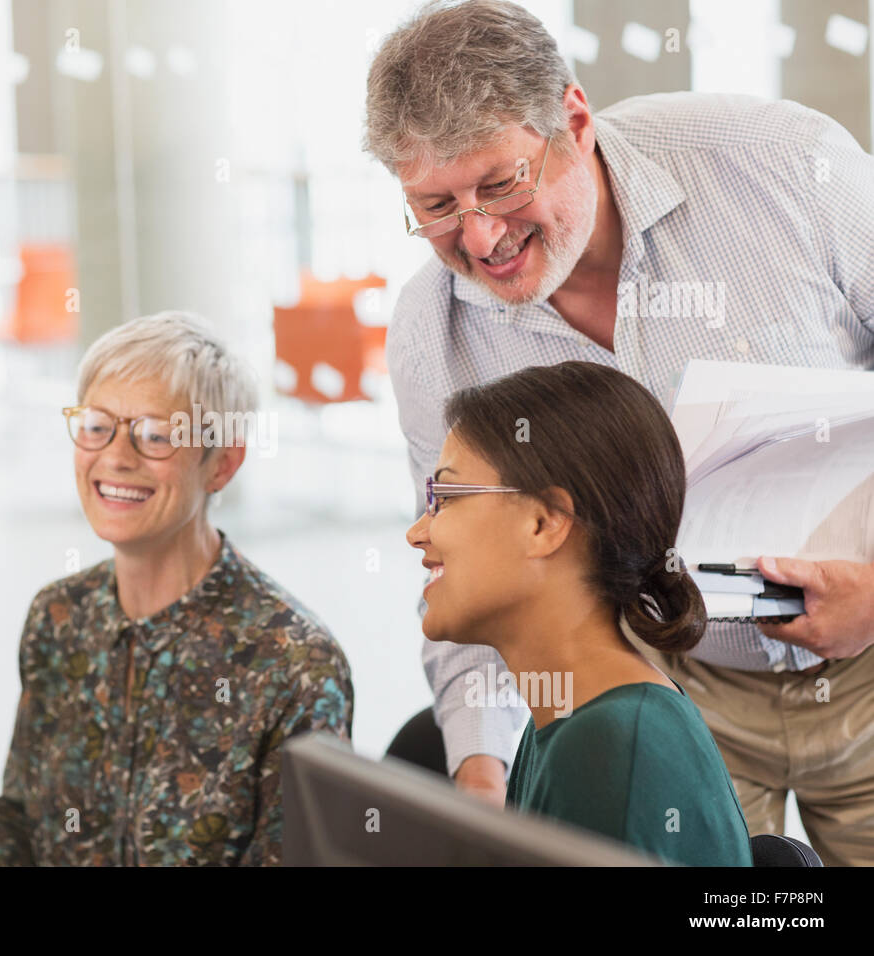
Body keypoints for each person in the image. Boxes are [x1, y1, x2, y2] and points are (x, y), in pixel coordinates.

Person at [366, 0, 874, 864]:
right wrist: (482, 789)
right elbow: (477, 576)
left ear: (573, 120)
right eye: (437, 206)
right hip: (675, 679)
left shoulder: (785, 167)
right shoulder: (433, 332)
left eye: (501, 184)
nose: (481, 238)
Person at [0, 311, 353, 865]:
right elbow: (27, 831)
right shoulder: (59, 616)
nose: (115, 456)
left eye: (155, 435)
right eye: (96, 426)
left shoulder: (295, 665)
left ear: (222, 464)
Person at [407, 361, 752, 865]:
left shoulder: (608, 746)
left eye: (446, 497)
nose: (417, 532)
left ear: (544, 523)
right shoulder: (564, 720)